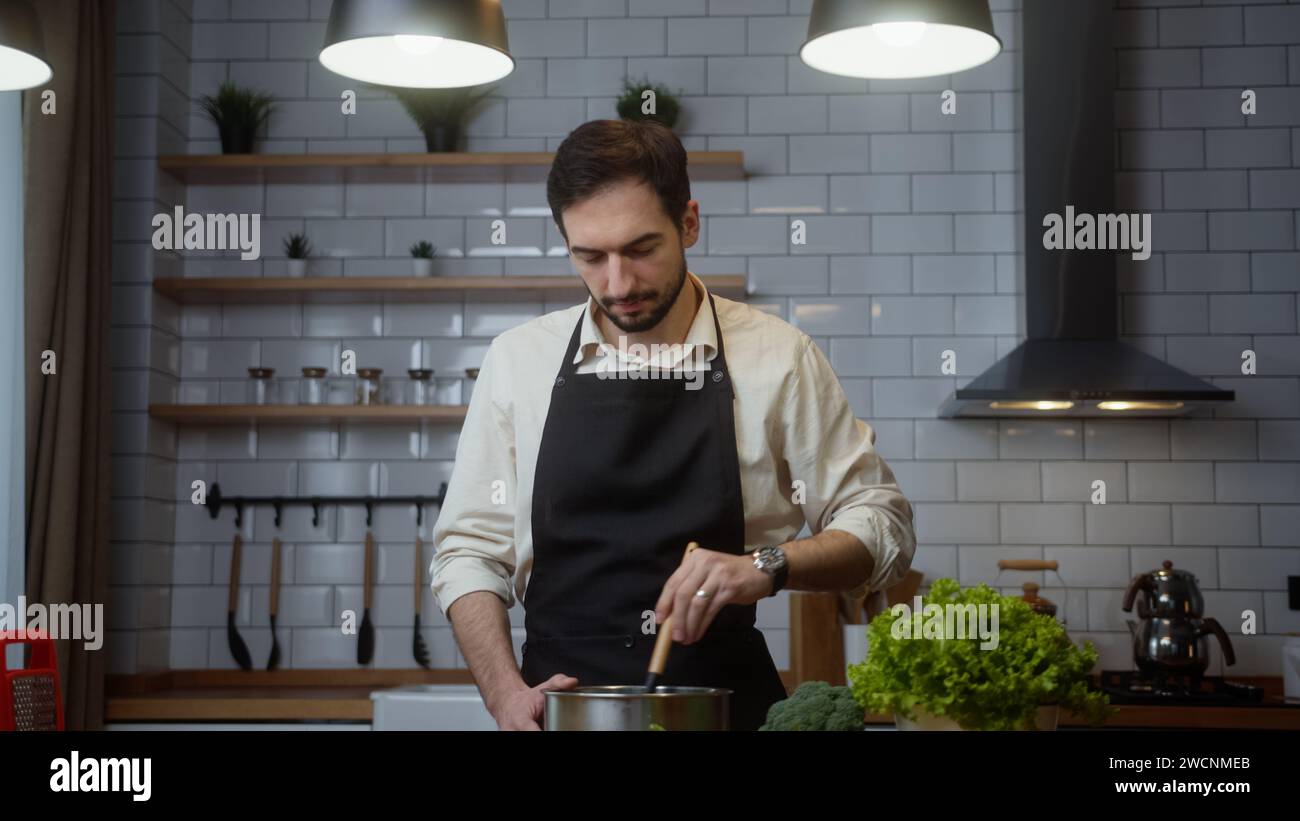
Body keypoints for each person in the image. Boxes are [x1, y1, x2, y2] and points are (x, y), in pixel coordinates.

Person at [431, 119, 915, 731]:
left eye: (641, 249)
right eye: (590, 256)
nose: (618, 284)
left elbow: (883, 525)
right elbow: (469, 552)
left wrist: (767, 566)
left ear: (688, 222)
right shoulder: (517, 361)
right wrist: (503, 692)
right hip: (567, 710)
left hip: (726, 709)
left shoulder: (778, 356)